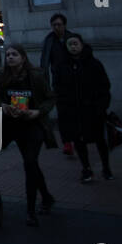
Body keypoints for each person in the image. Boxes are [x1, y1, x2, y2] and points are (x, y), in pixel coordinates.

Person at [0, 44, 56, 225]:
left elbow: (50, 98)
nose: (10, 57)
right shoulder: (2, 77)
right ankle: (46, 196)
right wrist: (3, 106)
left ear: (23, 57)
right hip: (13, 126)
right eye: (8, 55)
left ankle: (31, 210)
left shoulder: (35, 76)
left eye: (14, 54)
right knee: (31, 164)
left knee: (29, 163)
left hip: (33, 125)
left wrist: (38, 112)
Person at [58, 33, 113, 182]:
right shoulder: (63, 66)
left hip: (93, 110)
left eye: (75, 43)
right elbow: (59, 88)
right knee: (78, 141)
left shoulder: (94, 64)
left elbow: (104, 86)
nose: (73, 47)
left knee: (100, 140)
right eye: (70, 44)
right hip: (73, 111)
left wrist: (101, 107)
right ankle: (86, 168)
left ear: (82, 45)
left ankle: (106, 167)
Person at [40, 13, 74, 155]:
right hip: (58, 81)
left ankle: (77, 138)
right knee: (63, 112)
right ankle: (67, 142)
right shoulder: (49, 41)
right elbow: (44, 62)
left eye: (59, 24)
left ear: (64, 25)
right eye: (54, 25)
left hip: (73, 79)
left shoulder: (72, 39)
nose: (56, 27)